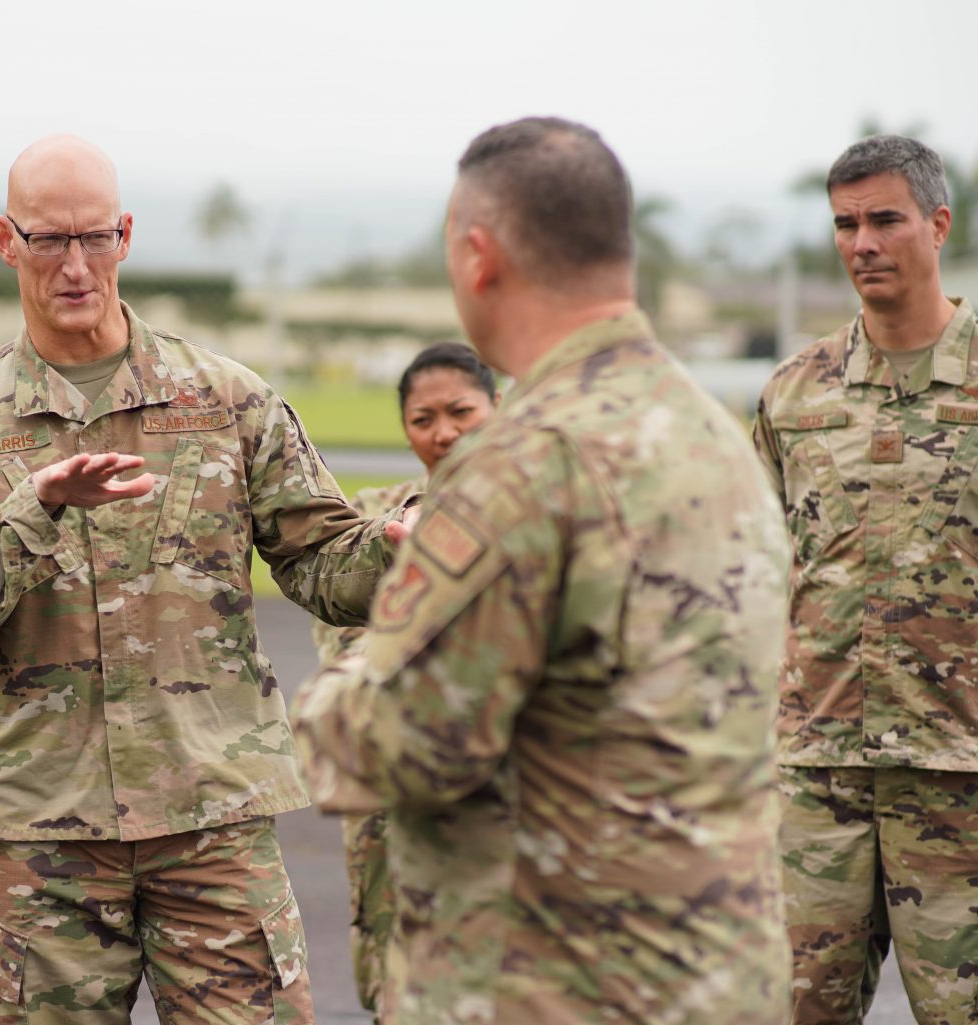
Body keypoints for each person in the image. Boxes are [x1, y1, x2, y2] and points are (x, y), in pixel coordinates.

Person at [0, 135, 413, 1025]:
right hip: (41, 833)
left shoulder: (227, 399)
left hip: (212, 815)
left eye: (96, 237)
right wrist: (32, 509)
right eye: (50, 240)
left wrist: (399, 547)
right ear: (7, 242)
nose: (76, 265)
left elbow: (321, 565)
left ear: (126, 235)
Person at [289, 117, 794, 1025]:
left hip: (551, 982)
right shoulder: (716, 436)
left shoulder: (521, 464)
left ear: (478, 256)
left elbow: (405, 742)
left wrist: (328, 697)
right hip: (718, 978)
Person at [753, 135, 978, 1025]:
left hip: (969, 784)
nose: (862, 241)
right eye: (845, 223)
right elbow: (751, 564)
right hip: (819, 777)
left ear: (939, 225)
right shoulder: (795, 393)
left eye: (884, 220)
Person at [306, 341, 497, 1021]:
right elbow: (344, 639)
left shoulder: (531, 512)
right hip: (389, 792)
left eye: (460, 411)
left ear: (497, 411)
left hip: (501, 794)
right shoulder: (373, 518)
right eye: (423, 418)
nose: (442, 431)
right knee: (393, 975)